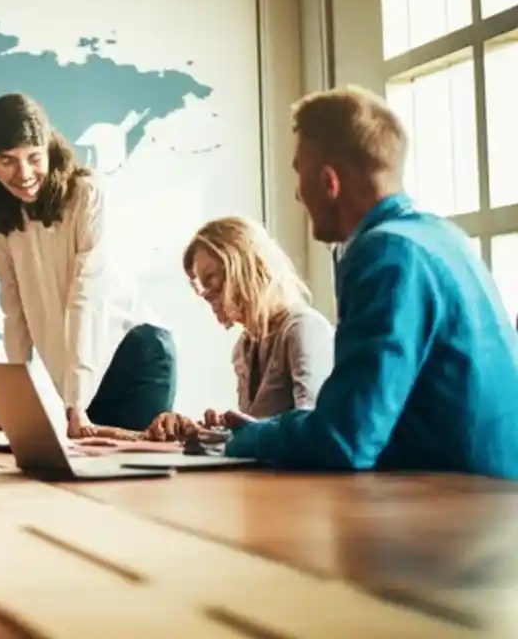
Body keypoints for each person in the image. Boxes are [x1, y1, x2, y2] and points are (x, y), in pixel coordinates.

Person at [219, 86, 518, 478]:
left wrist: (242, 439)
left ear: (329, 182)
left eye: (298, 172)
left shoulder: (386, 253)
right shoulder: (444, 238)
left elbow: (345, 440)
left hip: (457, 511)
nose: (296, 192)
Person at [0, 93, 176, 438]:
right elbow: (13, 304)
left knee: (130, 480)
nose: (25, 174)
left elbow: (87, 295)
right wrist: (16, 405)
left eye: (34, 157)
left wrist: (75, 401)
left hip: (133, 353)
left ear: (49, 148)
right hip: (78, 368)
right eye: (7, 161)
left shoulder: (85, 194)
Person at [142, 216, 334, 441]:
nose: (203, 293)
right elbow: (257, 435)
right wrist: (198, 431)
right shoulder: (244, 347)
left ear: (244, 266)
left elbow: (313, 432)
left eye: (210, 278)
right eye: (200, 284)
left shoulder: (304, 328)